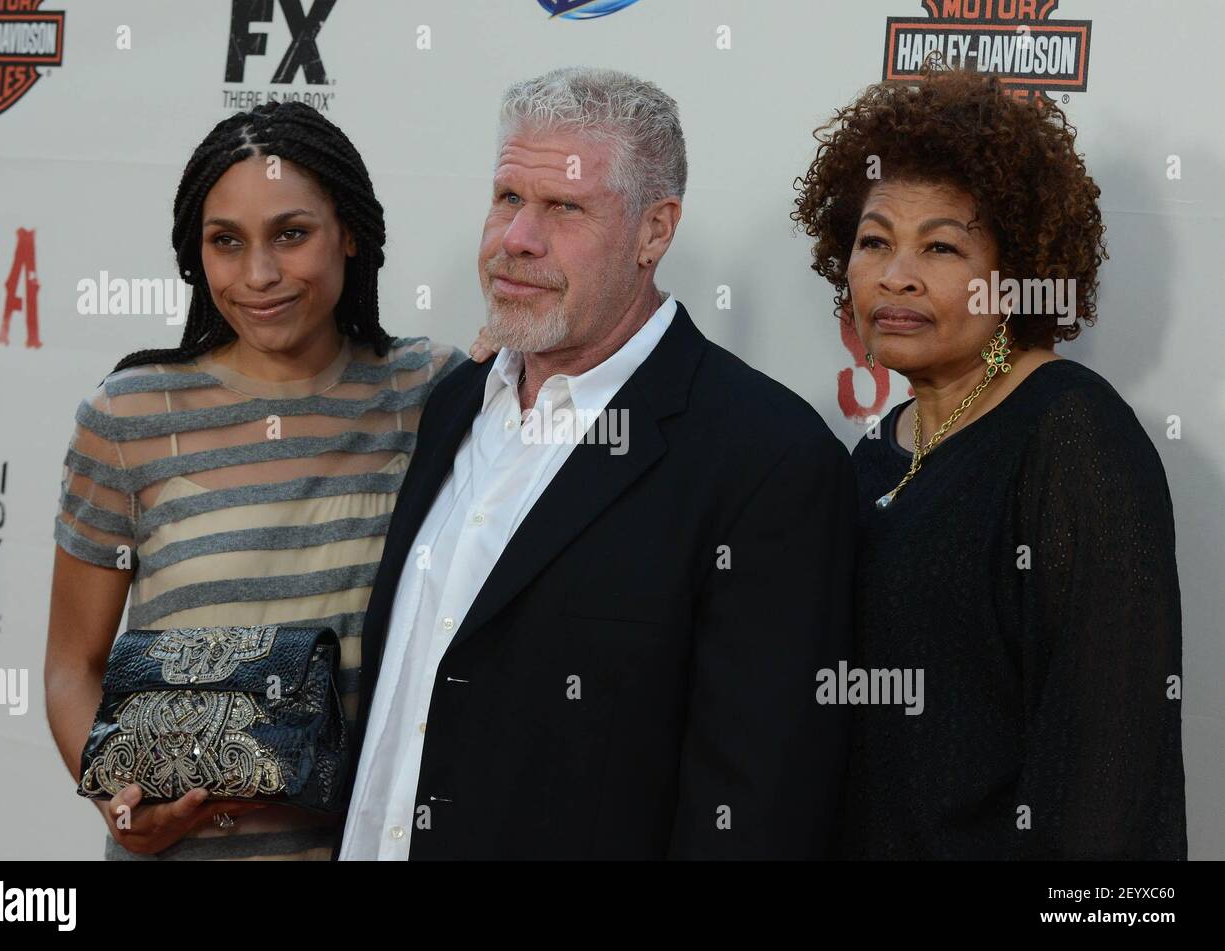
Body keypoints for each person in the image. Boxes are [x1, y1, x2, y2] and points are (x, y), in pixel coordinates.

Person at [333, 67, 856, 860]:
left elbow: (757, 812)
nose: (517, 238)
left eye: (564, 208)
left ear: (655, 231)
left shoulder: (767, 459)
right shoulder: (453, 406)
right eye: (508, 198)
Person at [45, 101, 464, 861]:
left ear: (352, 233)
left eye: (291, 234)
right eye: (226, 242)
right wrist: (118, 803)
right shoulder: (129, 416)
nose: (259, 274)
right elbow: (73, 665)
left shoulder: (431, 393)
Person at [792, 65, 1187, 859]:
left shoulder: (1074, 434)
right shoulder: (875, 449)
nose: (896, 274)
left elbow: (1110, 762)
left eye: (940, 246)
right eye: (874, 242)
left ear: (1015, 279)